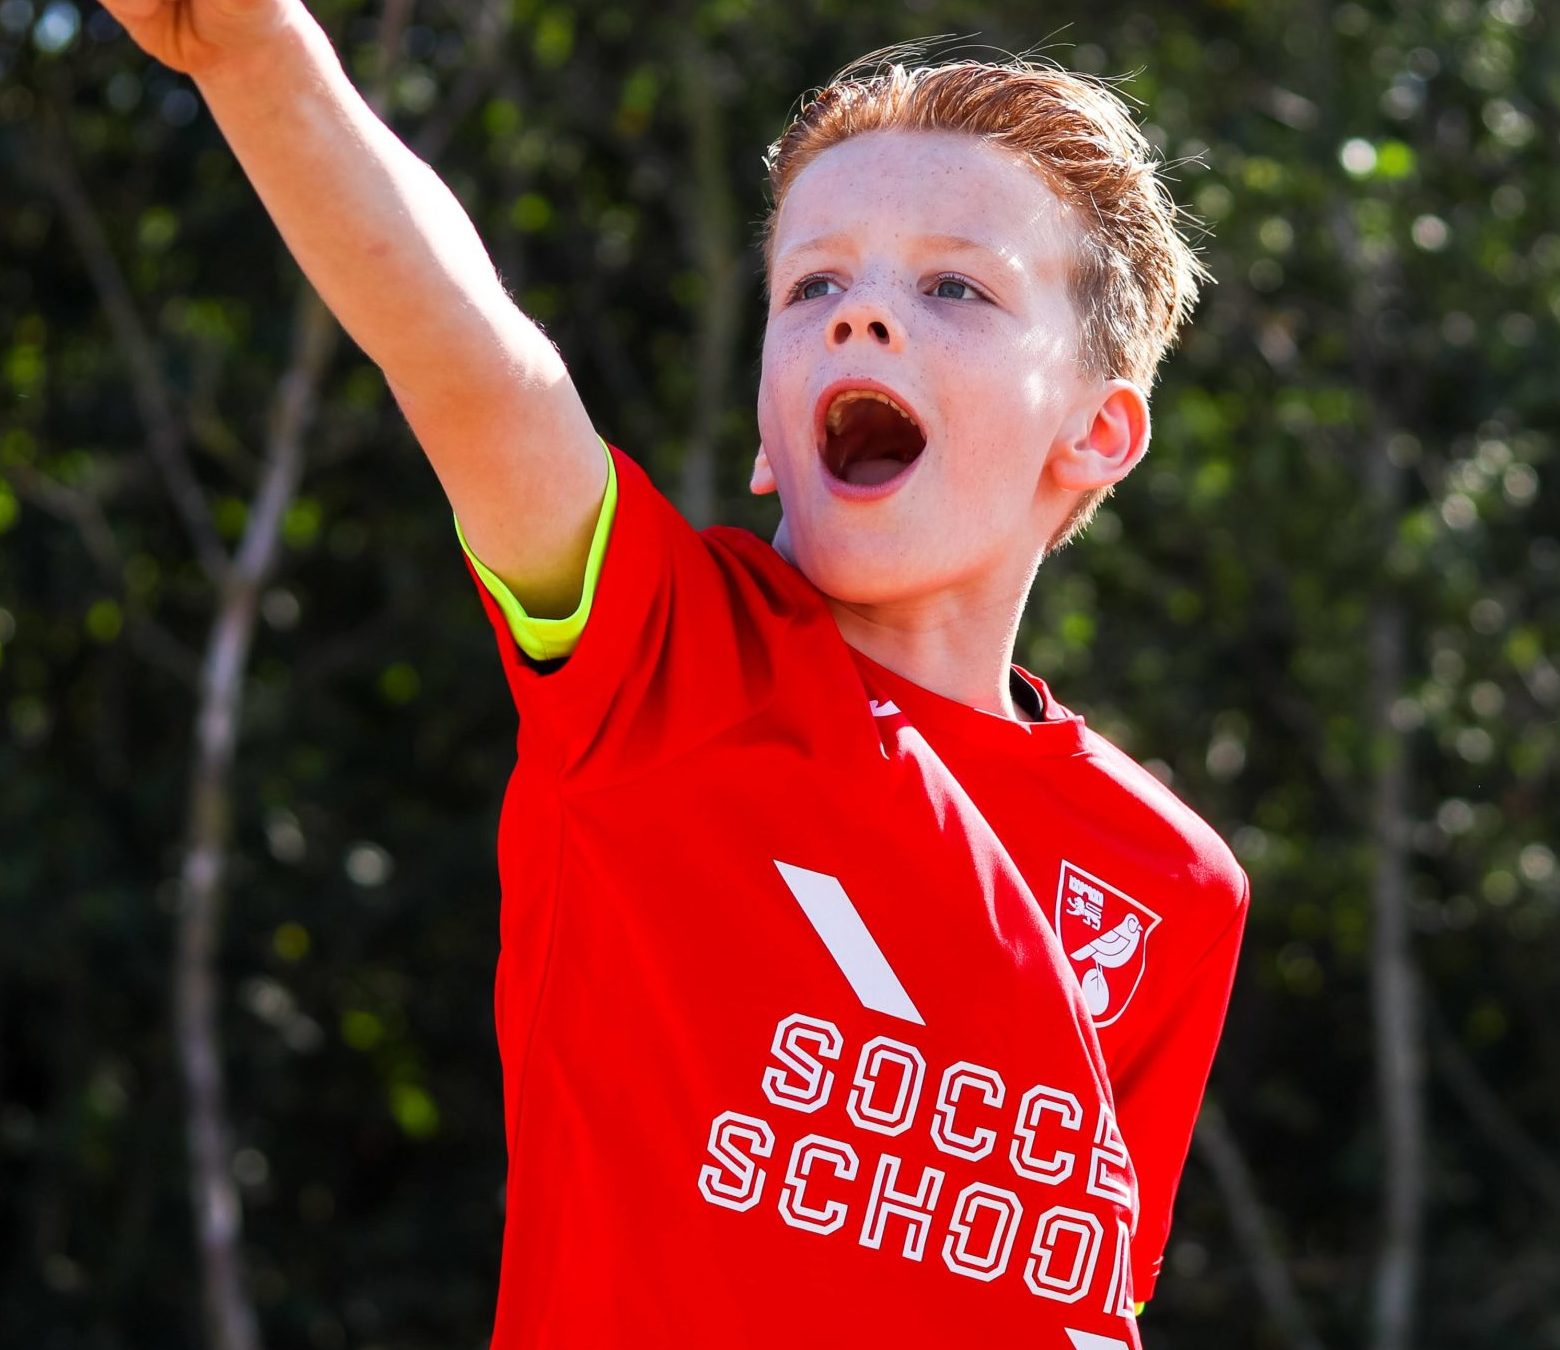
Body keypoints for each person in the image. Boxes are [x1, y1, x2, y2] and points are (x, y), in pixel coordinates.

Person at [93, 1, 1248, 1345]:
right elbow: (482, 372)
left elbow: (1081, 1300)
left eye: (954, 286)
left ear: (1100, 431)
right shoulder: (661, 662)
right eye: (811, 284)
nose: (862, 314)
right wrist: (259, 55)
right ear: (766, 431)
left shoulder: (1175, 885)